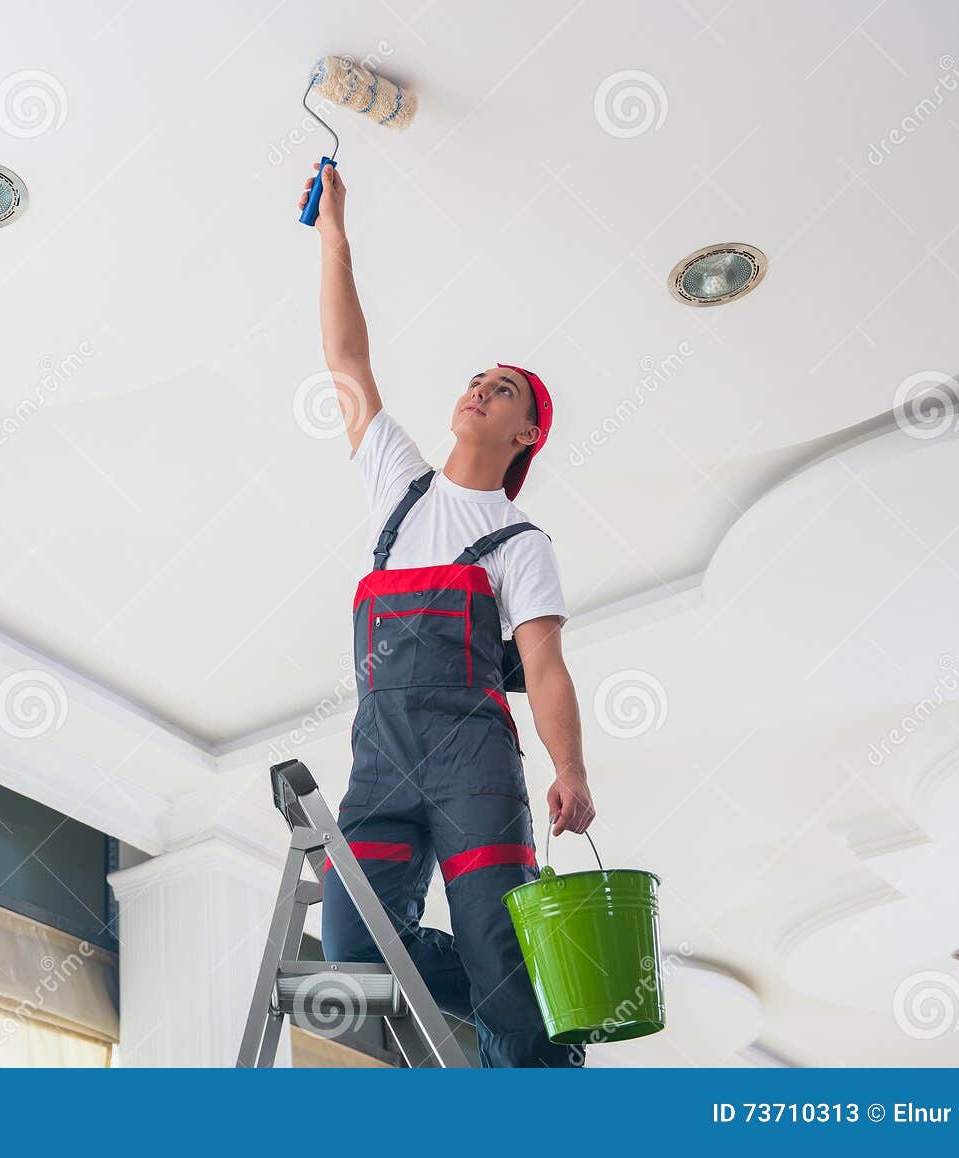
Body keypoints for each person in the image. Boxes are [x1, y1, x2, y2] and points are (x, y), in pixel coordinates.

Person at [300, 162, 595, 1068]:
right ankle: (519, 988)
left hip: (475, 765)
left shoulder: (518, 540)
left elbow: (542, 665)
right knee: (352, 959)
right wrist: (333, 235)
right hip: (380, 759)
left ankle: (531, 1070)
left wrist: (571, 767)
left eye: (501, 389)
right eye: (475, 378)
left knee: (498, 952)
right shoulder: (397, 484)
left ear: (526, 434)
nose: (478, 388)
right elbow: (347, 360)